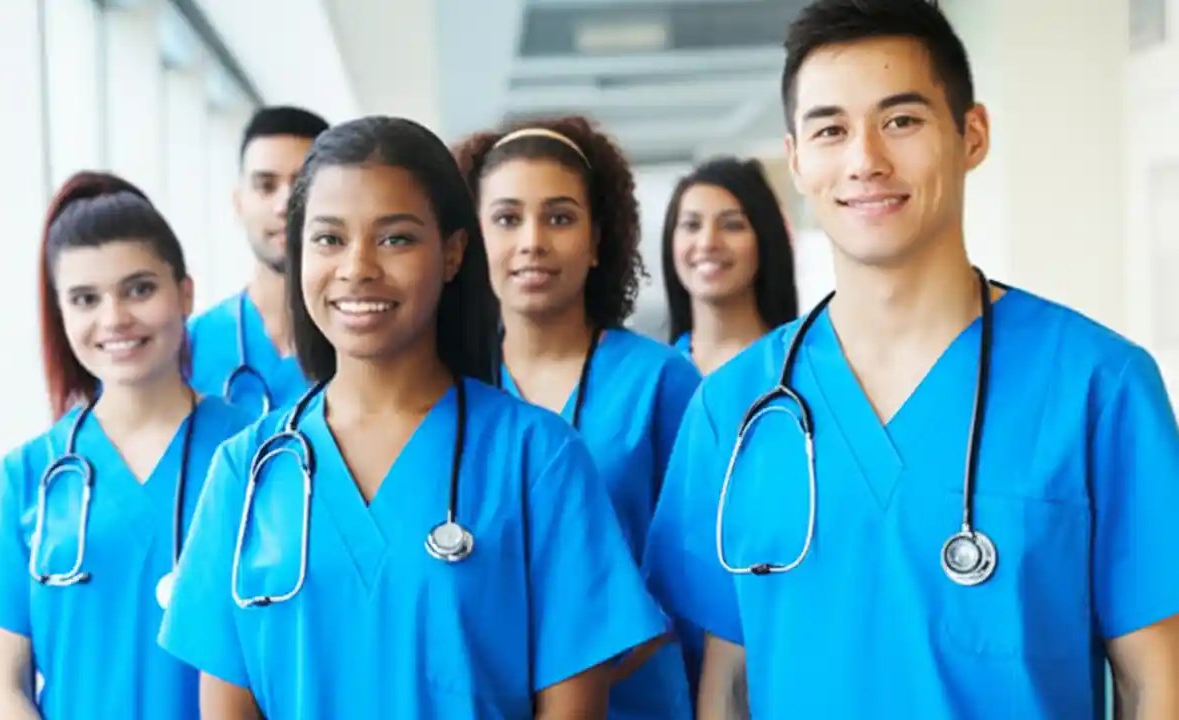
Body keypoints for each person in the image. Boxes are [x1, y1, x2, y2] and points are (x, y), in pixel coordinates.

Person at [643, 1, 1179, 718]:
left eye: (900, 120)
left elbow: (1155, 681)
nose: (865, 160)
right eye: (831, 130)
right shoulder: (733, 408)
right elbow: (729, 684)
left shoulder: (1099, 388)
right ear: (797, 161)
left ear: (972, 135)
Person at [157, 116, 670, 719]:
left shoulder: (537, 457)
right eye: (328, 239)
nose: (357, 267)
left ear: (453, 252)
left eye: (395, 238)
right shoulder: (246, 472)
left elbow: (573, 707)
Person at [0, 171, 251, 719]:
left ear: (185, 293)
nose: (114, 319)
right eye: (86, 299)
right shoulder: (25, 478)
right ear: (62, 314)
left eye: (139, 289)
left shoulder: (255, 458)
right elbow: (6, 687)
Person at [455, 116, 698, 719]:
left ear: (596, 243)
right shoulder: (450, 389)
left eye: (560, 218)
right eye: (506, 219)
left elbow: (694, 580)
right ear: (470, 242)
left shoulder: (661, 382)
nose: (532, 241)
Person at [188, 106, 329, 417]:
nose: (284, 205)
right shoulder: (187, 348)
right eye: (266, 186)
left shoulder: (366, 341)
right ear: (239, 203)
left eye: (303, 185)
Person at [662, 156, 800, 375]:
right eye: (692, 225)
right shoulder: (656, 373)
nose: (707, 242)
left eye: (732, 226)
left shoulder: (799, 368)